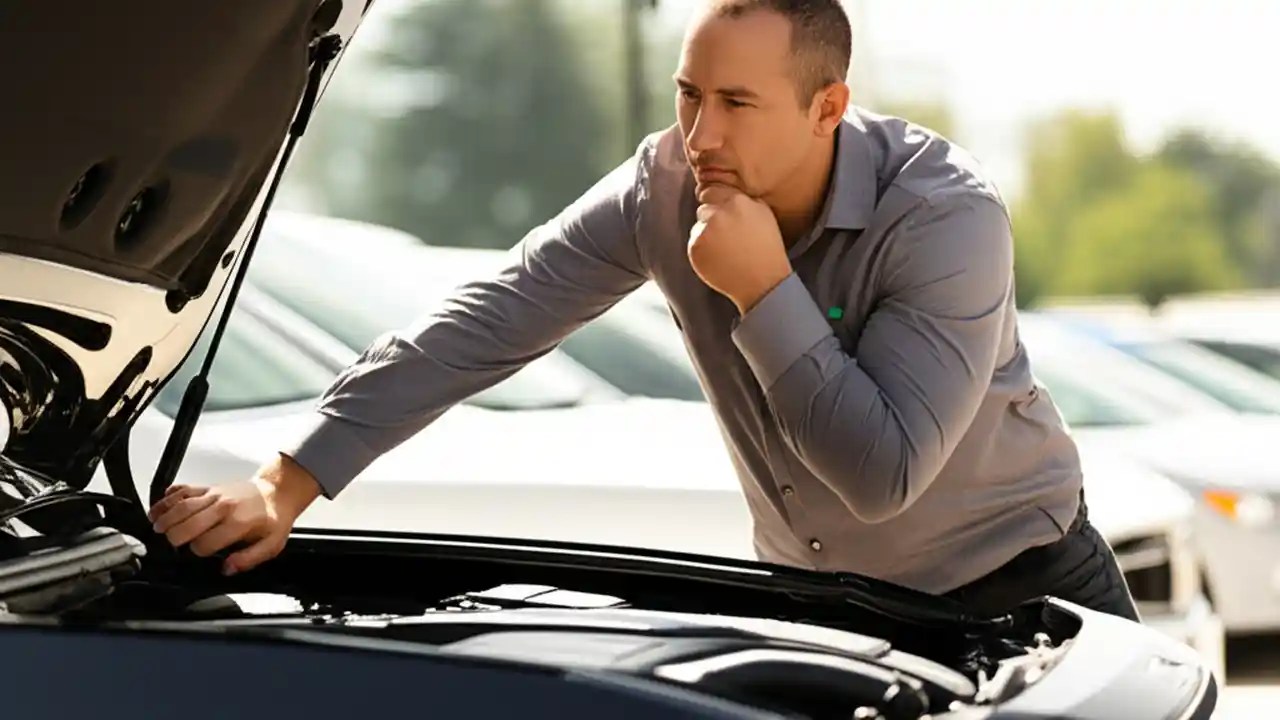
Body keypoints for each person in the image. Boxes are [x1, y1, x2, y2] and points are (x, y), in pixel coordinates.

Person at [148, 0, 1139, 621]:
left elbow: (880, 476)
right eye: (685, 94)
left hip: (1024, 602)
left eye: (737, 103)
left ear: (827, 108)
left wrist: (760, 288)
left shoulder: (941, 216)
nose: (699, 133)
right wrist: (288, 481)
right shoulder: (661, 186)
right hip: (834, 616)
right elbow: (493, 317)